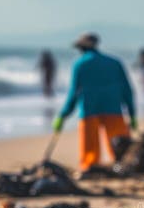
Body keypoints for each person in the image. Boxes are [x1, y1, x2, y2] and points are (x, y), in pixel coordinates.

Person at [54, 33, 136, 172]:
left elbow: (74, 93)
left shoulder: (80, 64)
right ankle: (122, 167)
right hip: (114, 109)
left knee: (90, 156)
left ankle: (90, 169)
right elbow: (127, 90)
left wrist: (63, 115)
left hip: (89, 111)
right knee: (120, 151)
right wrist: (132, 114)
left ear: (81, 48)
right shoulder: (115, 63)